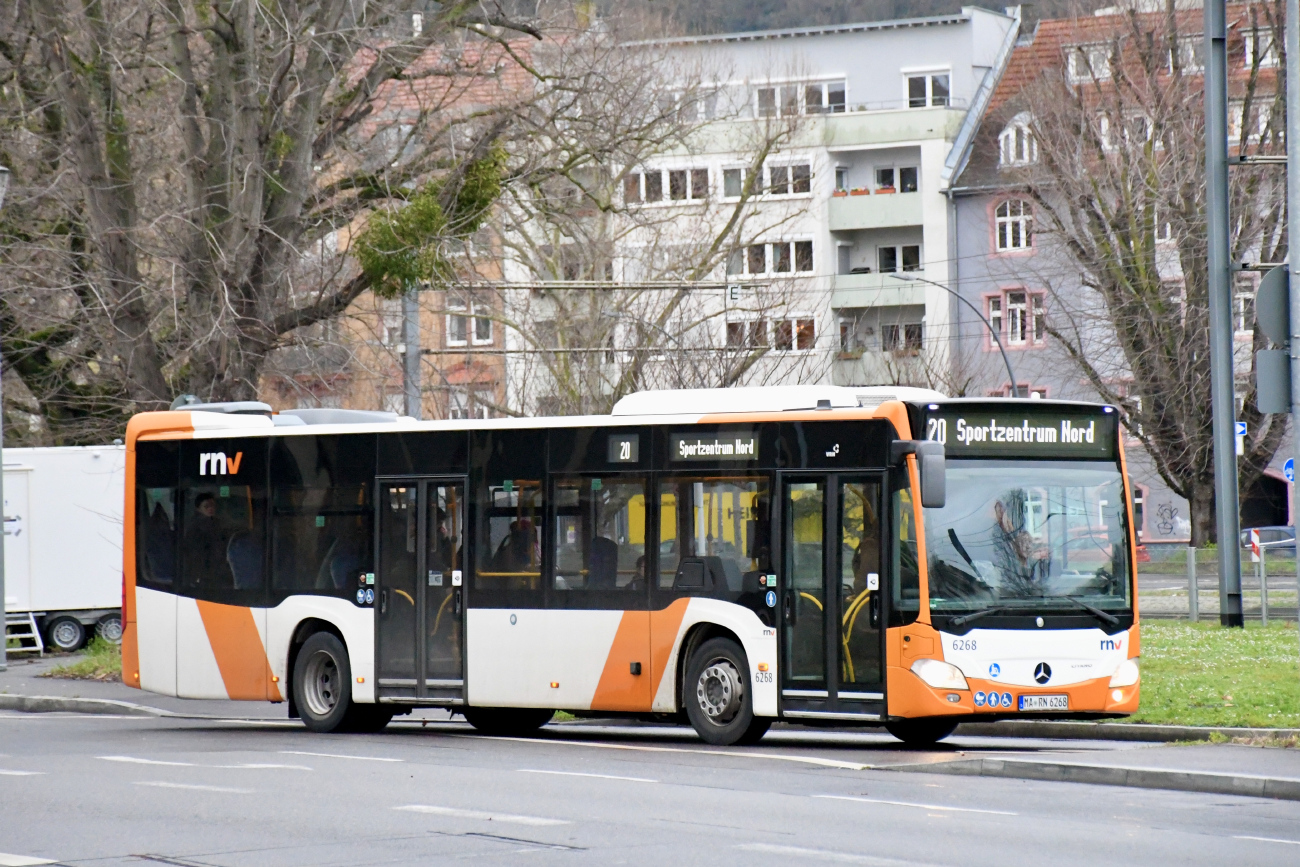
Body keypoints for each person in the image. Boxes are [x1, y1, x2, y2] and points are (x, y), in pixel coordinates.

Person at [184, 492, 228, 588]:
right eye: (206, 506)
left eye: (212, 505)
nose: (210, 508)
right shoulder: (195, 527)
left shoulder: (216, 523)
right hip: (204, 572)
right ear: (198, 509)